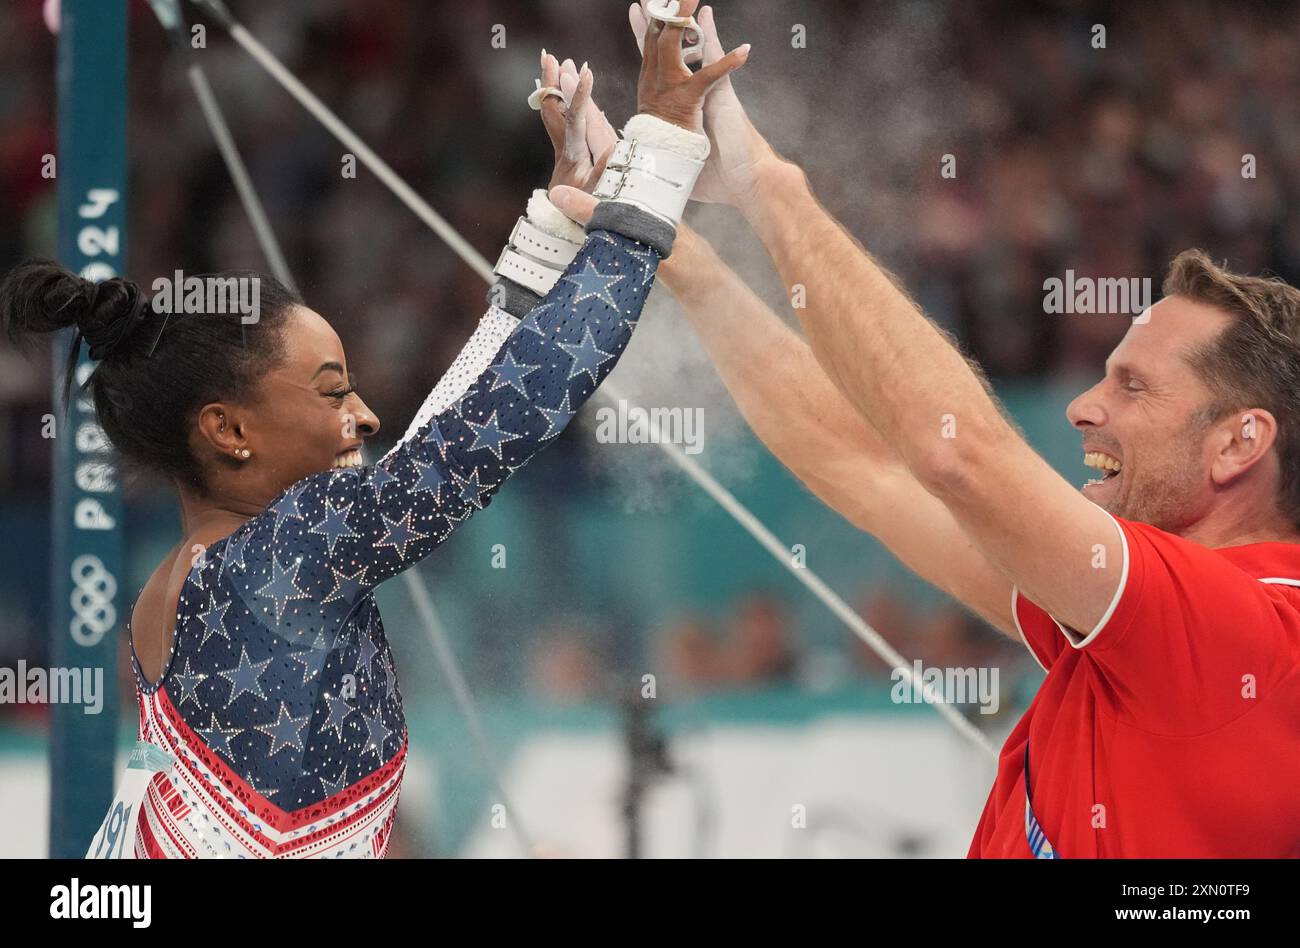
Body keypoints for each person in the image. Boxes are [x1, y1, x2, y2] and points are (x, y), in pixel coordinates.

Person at [549, 1, 1300, 857]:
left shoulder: (1250, 634)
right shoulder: (1131, 626)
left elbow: (954, 453)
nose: (1084, 407)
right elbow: (870, 468)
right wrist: (676, 249)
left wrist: (767, 184)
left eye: (1133, 386)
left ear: (1240, 442)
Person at [0, 1, 746, 858]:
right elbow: (498, 424)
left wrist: (555, 230)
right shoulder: (285, 554)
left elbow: (436, 447)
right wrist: (661, 150)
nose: (365, 415)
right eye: (332, 393)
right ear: (228, 429)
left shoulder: (190, 586)